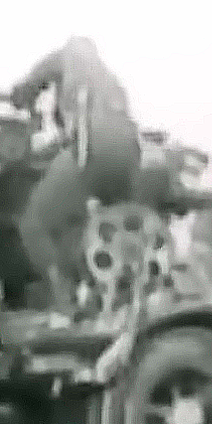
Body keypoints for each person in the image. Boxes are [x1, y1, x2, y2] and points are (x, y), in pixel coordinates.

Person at [10, 37, 142, 317]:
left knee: (33, 225)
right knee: (96, 229)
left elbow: (27, 89)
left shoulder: (67, 56)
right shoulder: (109, 81)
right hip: (129, 154)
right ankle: (112, 300)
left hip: (93, 150)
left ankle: (64, 304)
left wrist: (21, 97)